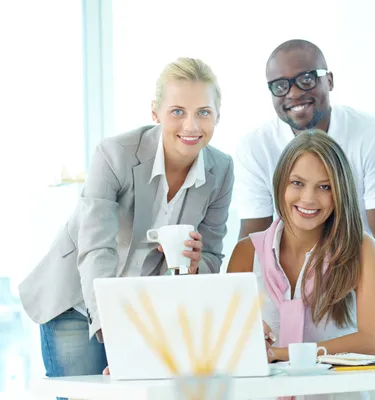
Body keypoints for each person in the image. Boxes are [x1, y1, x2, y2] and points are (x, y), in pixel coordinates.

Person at [19, 57, 234, 385]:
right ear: (155, 113)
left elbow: (211, 258)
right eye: (178, 111)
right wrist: (119, 339)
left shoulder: (221, 170)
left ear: (218, 114)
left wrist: (193, 266)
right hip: (76, 300)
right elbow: (96, 250)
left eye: (203, 112)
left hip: (144, 309)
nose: (191, 126)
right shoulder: (115, 154)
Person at [235, 39, 375, 355]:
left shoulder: (372, 136)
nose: (293, 92)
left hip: (346, 270)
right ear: (279, 185)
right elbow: (253, 236)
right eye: (280, 85)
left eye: (325, 186)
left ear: (328, 80)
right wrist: (244, 304)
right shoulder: (256, 146)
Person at [229, 130, 375, 399]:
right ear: (281, 183)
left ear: (340, 193)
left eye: (324, 187)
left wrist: (280, 354)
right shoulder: (246, 253)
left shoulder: (361, 249)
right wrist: (248, 340)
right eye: (297, 183)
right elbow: (226, 346)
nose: (308, 199)